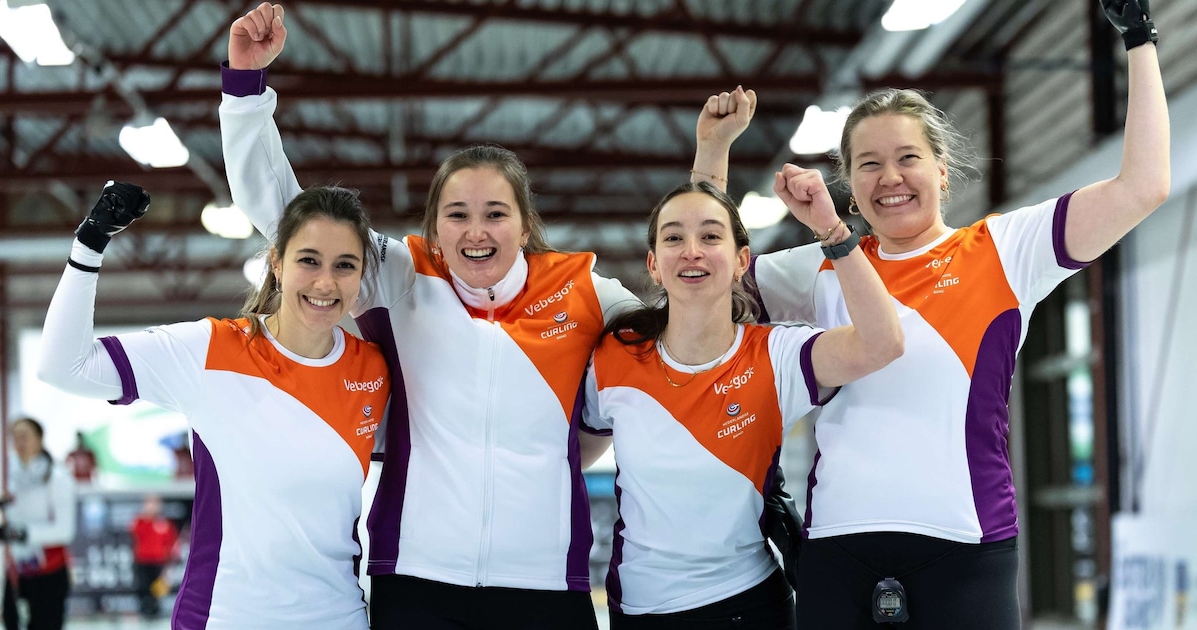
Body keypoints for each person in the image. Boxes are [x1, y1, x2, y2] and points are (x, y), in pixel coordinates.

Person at [219, 5, 770, 628]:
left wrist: (709, 159)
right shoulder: (401, 276)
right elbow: (285, 212)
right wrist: (246, 88)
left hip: (543, 586)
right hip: (417, 579)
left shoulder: (583, 290)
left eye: (495, 214)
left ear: (526, 224)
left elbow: (690, 309)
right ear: (434, 227)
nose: (475, 232)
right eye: (456, 214)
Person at [749, 2, 1168, 627]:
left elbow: (1144, 187)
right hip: (838, 541)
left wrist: (1139, 40)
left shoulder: (1004, 249)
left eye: (907, 158)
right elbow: (704, 272)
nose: (889, 177)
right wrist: (713, 151)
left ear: (943, 173)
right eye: (868, 163)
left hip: (966, 543)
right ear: (850, 183)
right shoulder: (822, 262)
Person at [37, 182, 391, 630]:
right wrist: (90, 244)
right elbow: (64, 367)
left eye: (345, 265)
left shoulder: (373, 370)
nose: (326, 282)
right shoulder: (210, 350)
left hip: (339, 618)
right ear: (277, 263)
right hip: (226, 618)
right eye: (309, 260)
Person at [582, 176, 902, 629]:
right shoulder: (615, 355)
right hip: (640, 609)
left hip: (750, 606)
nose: (692, 250)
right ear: (654, 264)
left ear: (741, 261)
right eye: (674, 238)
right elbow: (570, 453)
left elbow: (881, 343)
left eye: (711, 237)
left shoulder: (777, 356)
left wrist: (833, 232)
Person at [0, 416, 76, 630]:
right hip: (17, 572)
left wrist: (22, 534)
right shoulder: (10, 477)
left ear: (39, 440)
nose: (19, 443)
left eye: (24, 436)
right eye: (14, 437)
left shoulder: (57, 478)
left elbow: (65, 530)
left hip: (49, 573)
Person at [128, 494, 178, 619]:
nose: (152, 507)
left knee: (157, 589)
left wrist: (169, 560)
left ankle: (155, 610)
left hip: (158, 561)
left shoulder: (164, 523)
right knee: (143, 586)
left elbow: (171, 542)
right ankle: (144, 610)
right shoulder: (140, 521)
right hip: (142, 560)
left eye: (155, 504)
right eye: (149, 503)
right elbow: (133, 532)